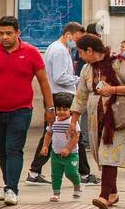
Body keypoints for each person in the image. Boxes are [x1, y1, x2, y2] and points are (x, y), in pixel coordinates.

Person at [0, 16, 53, 206]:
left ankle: (12, 189)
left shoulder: (32, 53)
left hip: (21, 110)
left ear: (18, 33)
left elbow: (43, 81)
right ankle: (8, 184)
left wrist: (50, 109)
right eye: (1, 33)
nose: (4, 37)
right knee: (1, 150)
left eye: (9, 33)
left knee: (13, 149)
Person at [71, 33, 125, 209]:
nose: (79, 56)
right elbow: (81, 96)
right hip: (96, 119)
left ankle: (103, 195)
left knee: (108, 154)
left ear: (90, 50)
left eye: (81, 52)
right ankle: (113, 193)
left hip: (118, 118)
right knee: (102, 155)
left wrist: (112, 89)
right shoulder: (87, 70)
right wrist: (73, 120)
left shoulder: (118, 63)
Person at [27, 22, 88, 185]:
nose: (78, 43)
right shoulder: (60, 51)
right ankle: (84, 173)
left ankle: (34, 171)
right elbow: (60, 77)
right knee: (71, 131)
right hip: (63, 97)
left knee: (52, 132)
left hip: (58, 96)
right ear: (69, 34)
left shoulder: (56, 48)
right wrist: (79, 80)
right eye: (77, 38)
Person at [46, 93, 83, 203]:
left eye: (65, 109)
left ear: (70, 110)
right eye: (59, 109)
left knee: (71, 173)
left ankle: (77, 185)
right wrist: (45, 146)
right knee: (55, 174)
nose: (61, 112)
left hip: (71, 154)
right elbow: (48, 134)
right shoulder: (54, 121)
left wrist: (68, 149)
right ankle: (56, 193)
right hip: (56, 154)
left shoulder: (72, 123)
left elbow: (76, 137)